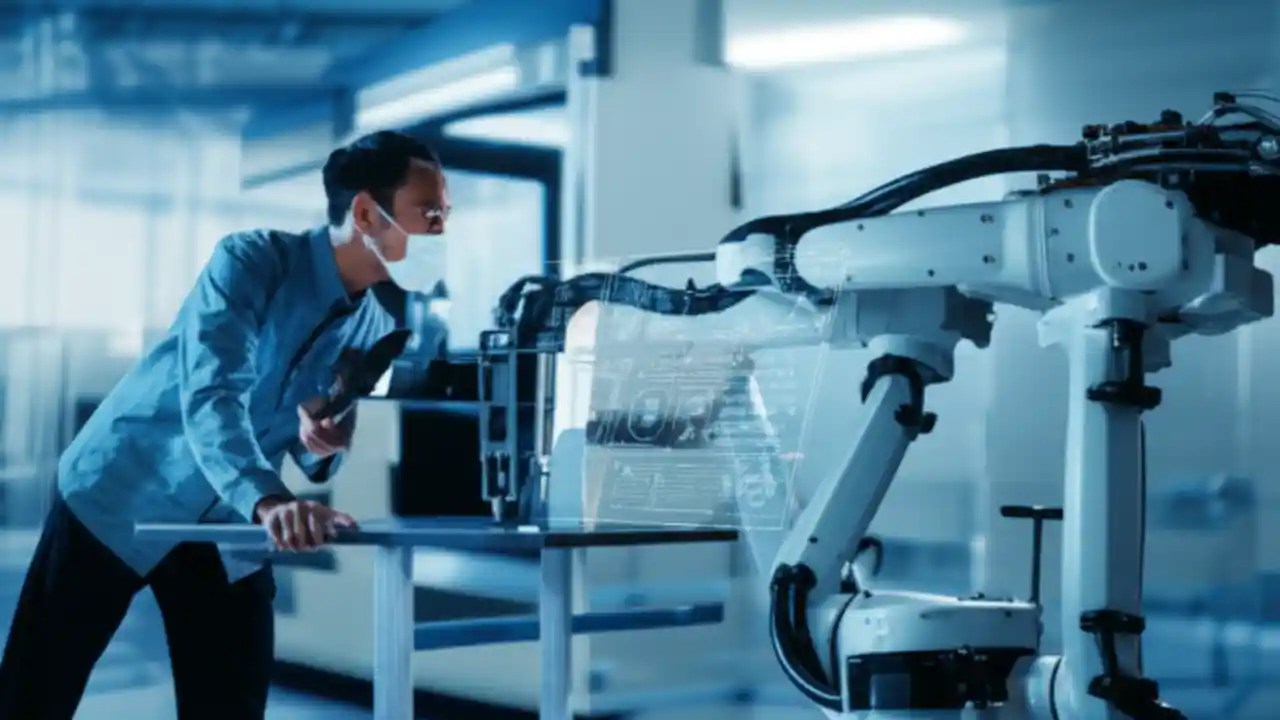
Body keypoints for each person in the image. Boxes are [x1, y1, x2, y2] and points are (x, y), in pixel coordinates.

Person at [0, 129, 451, 719]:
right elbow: (212, 394)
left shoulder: (370, 327)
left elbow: (317, 451)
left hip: (226, 523)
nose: (442, 231)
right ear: (366, 211)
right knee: (35, 696)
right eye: (430, 214)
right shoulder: (251, 261)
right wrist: (268, 502)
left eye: (445, 215)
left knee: (229, 703)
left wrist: (324, 441)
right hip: (122, 489)